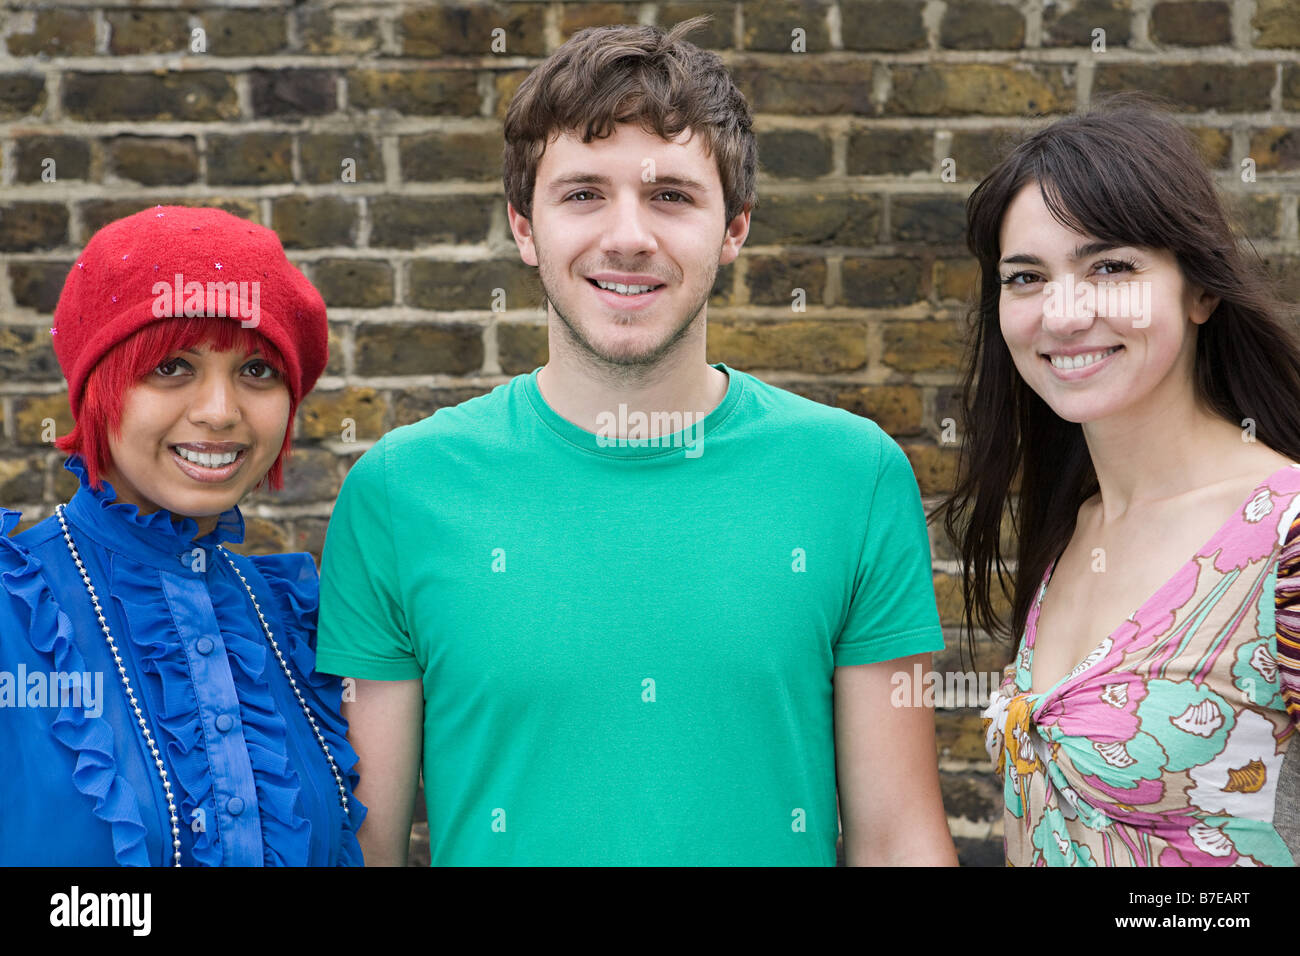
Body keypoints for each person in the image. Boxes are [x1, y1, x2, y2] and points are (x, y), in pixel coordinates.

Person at [316, 16, 957, 866]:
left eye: (670, 196)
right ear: (523, 226)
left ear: (734, 229)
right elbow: (367, 851)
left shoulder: (853, 475)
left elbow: (896, 839)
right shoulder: (400, 492)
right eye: (583, 194)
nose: (628, 235)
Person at [934, 95, 1300, 866]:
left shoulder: (1285, 535)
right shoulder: (1074, 529)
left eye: (1111, 267)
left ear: (1200, 291)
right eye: (1026, 277)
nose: (1063, 314)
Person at [0, 206, 365, 866]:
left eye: (257, 370)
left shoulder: (295, 623)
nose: (220, 412)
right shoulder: (13, 609)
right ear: (97, 387)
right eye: (171, 366)